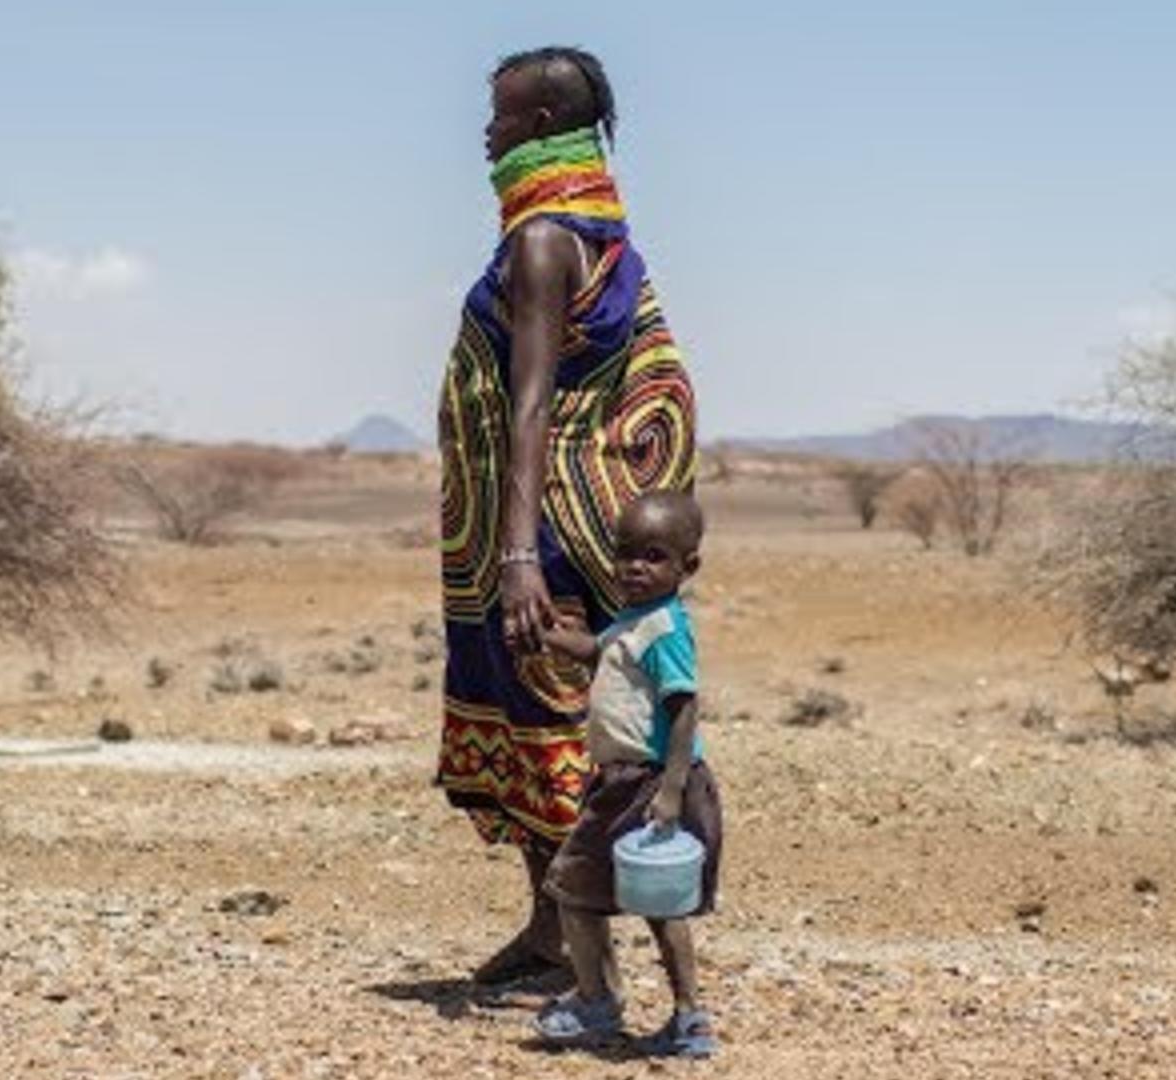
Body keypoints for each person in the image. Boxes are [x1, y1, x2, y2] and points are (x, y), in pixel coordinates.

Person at [434, 45, 696, 986]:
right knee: (547, 715)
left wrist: (515, 556)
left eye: (501, 116)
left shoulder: (546, 239)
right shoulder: (604, 236)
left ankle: (573, 952)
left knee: (545, 717)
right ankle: (554, 933)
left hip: (537, 528)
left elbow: (531, 399)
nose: (488, 132)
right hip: (556, 517)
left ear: (543, 126)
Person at [532, 491, 723, 1059]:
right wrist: (558, 639)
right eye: (626, 554)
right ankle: (666, 1013)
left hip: (648, 785)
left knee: (590, 892)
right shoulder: (634, 620)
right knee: (607, 896)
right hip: (622, 783)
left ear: (687, 567)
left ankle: (615, 1005)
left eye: (654, 557)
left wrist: (669, 791)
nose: (635, 567)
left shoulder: (665, 628)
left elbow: (684, 707)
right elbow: (606, 654)